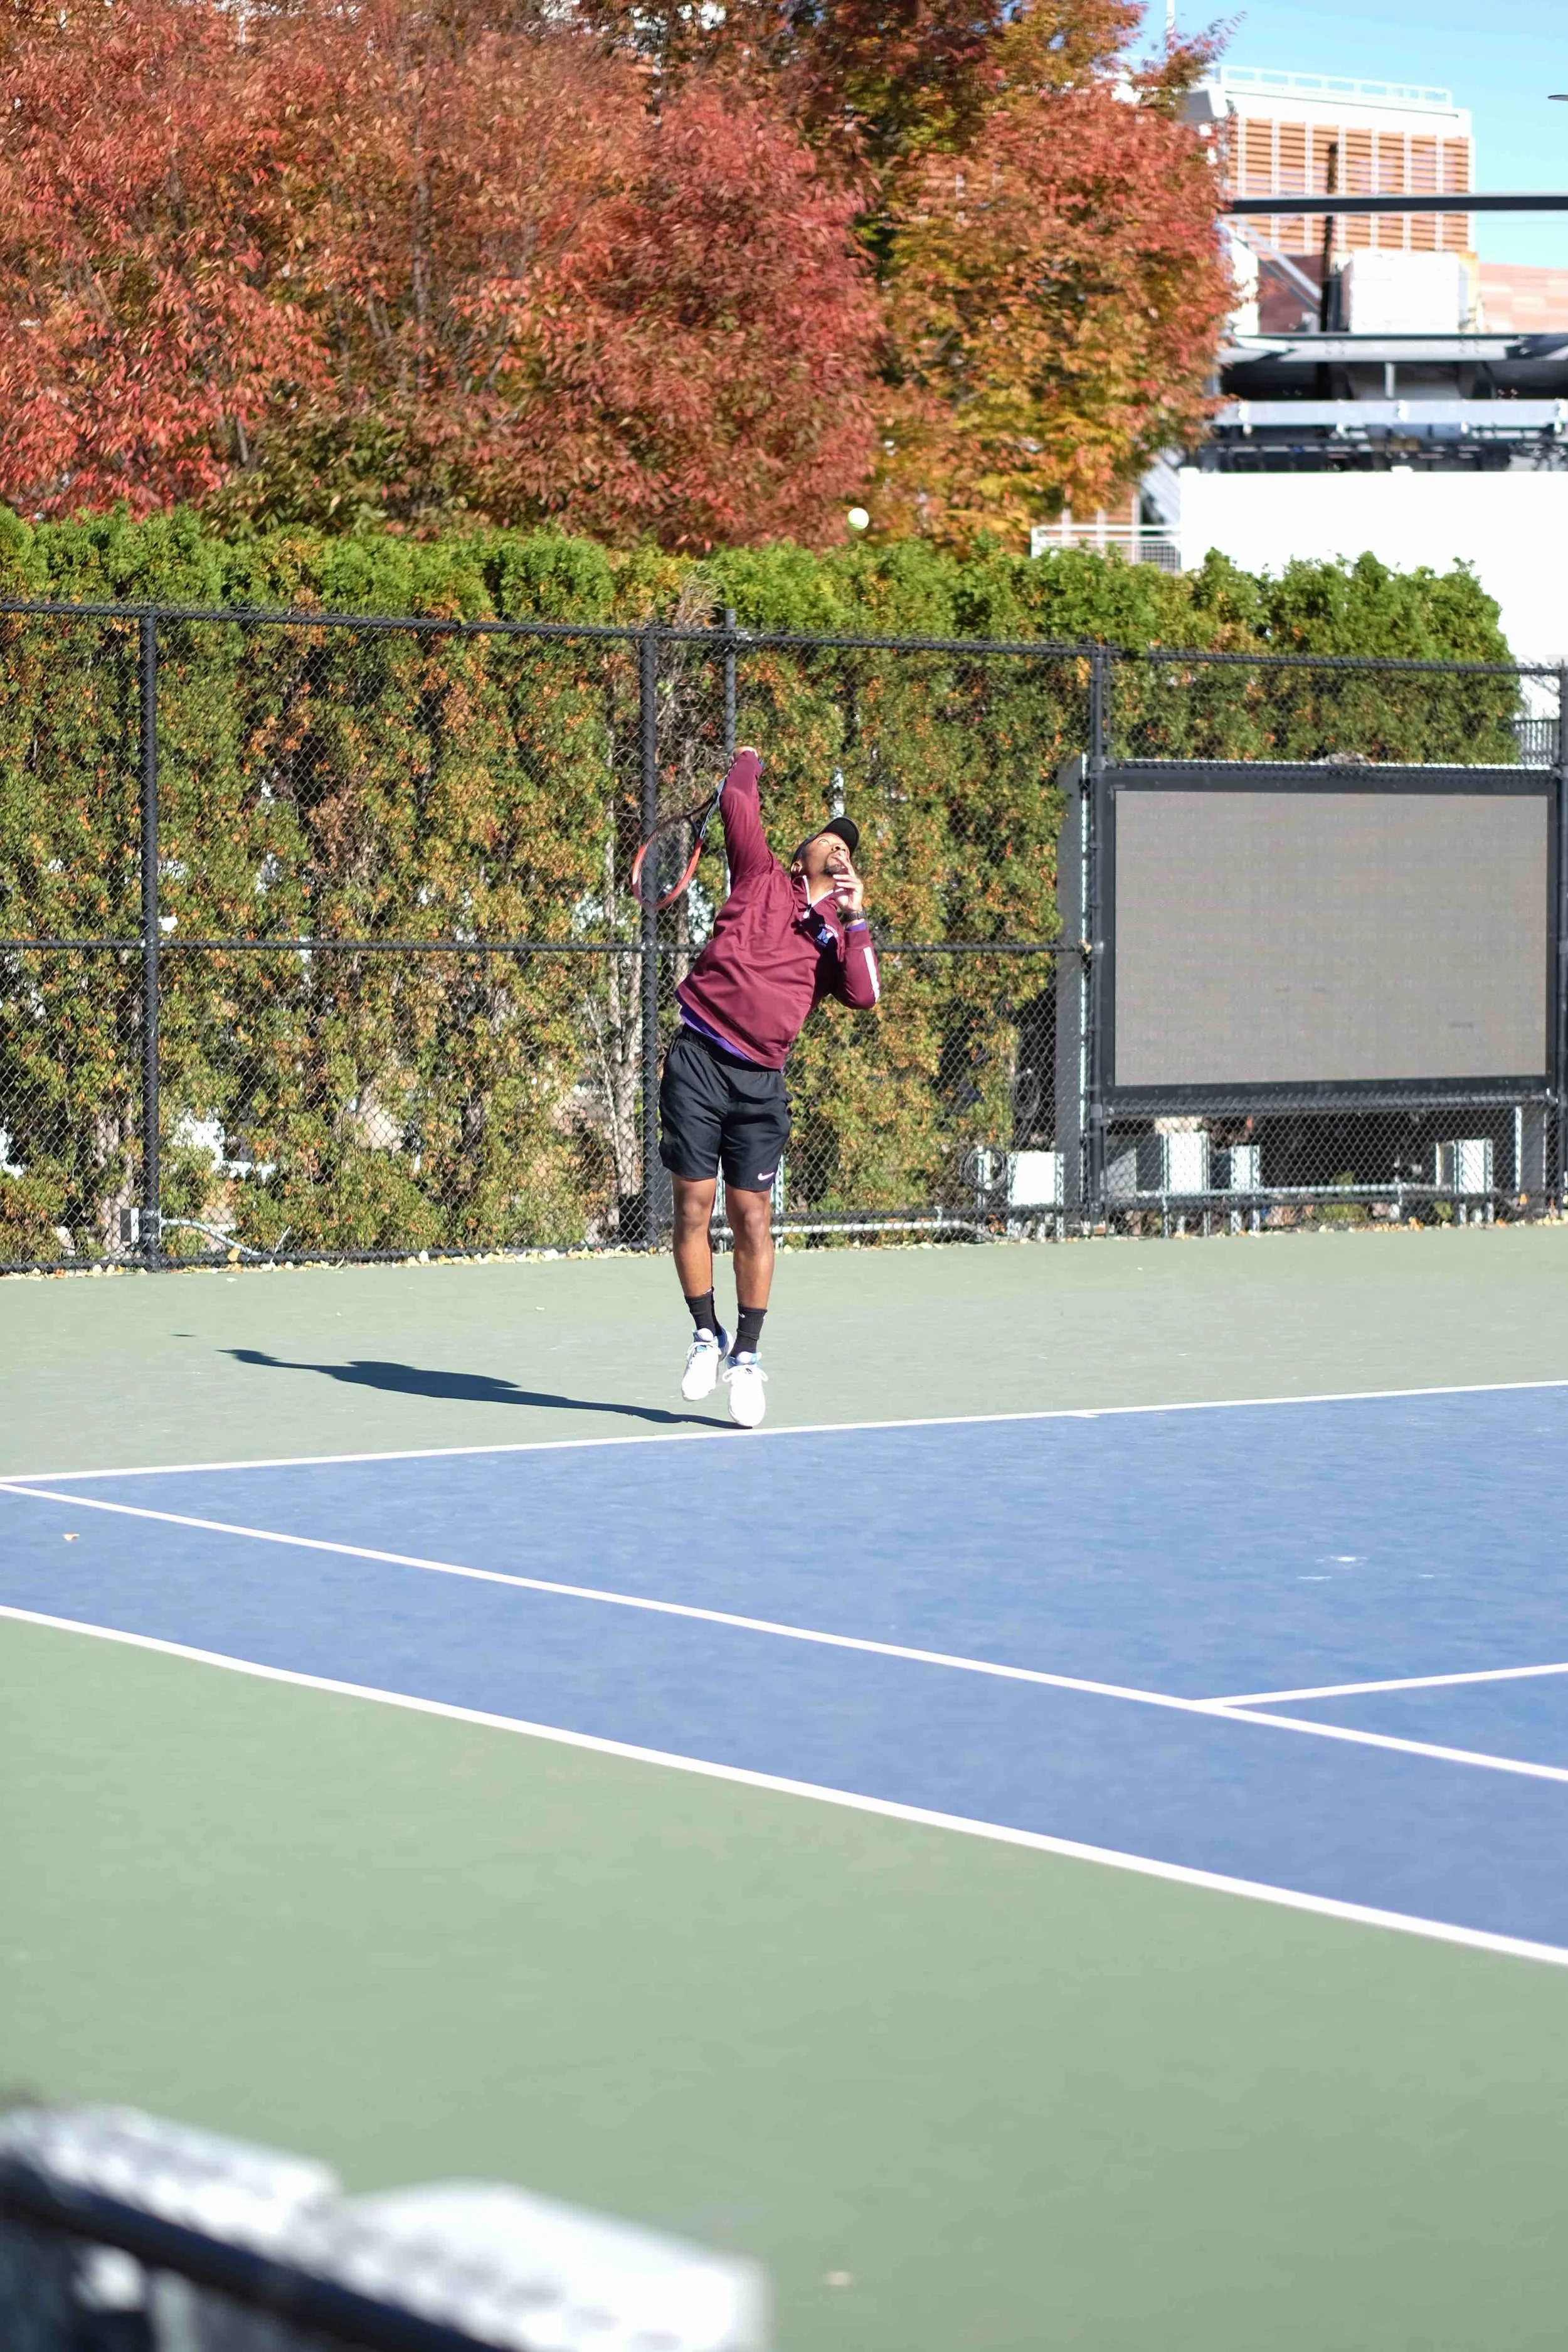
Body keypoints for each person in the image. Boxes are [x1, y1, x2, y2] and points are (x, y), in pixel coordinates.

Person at [659, 745, 879, 1426]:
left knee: (752, 1217)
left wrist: (855, 915)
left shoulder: (840, 938)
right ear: (800, 856)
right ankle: (705, 1334)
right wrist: (746, 761)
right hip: (697, 1060)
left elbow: (865, 996)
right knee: (693, 1208)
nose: (840, 850)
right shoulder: (758, 876)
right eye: (828, 842)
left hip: (760, 1086)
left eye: (849, 851)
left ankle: (746, 1357)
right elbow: (736, 801)